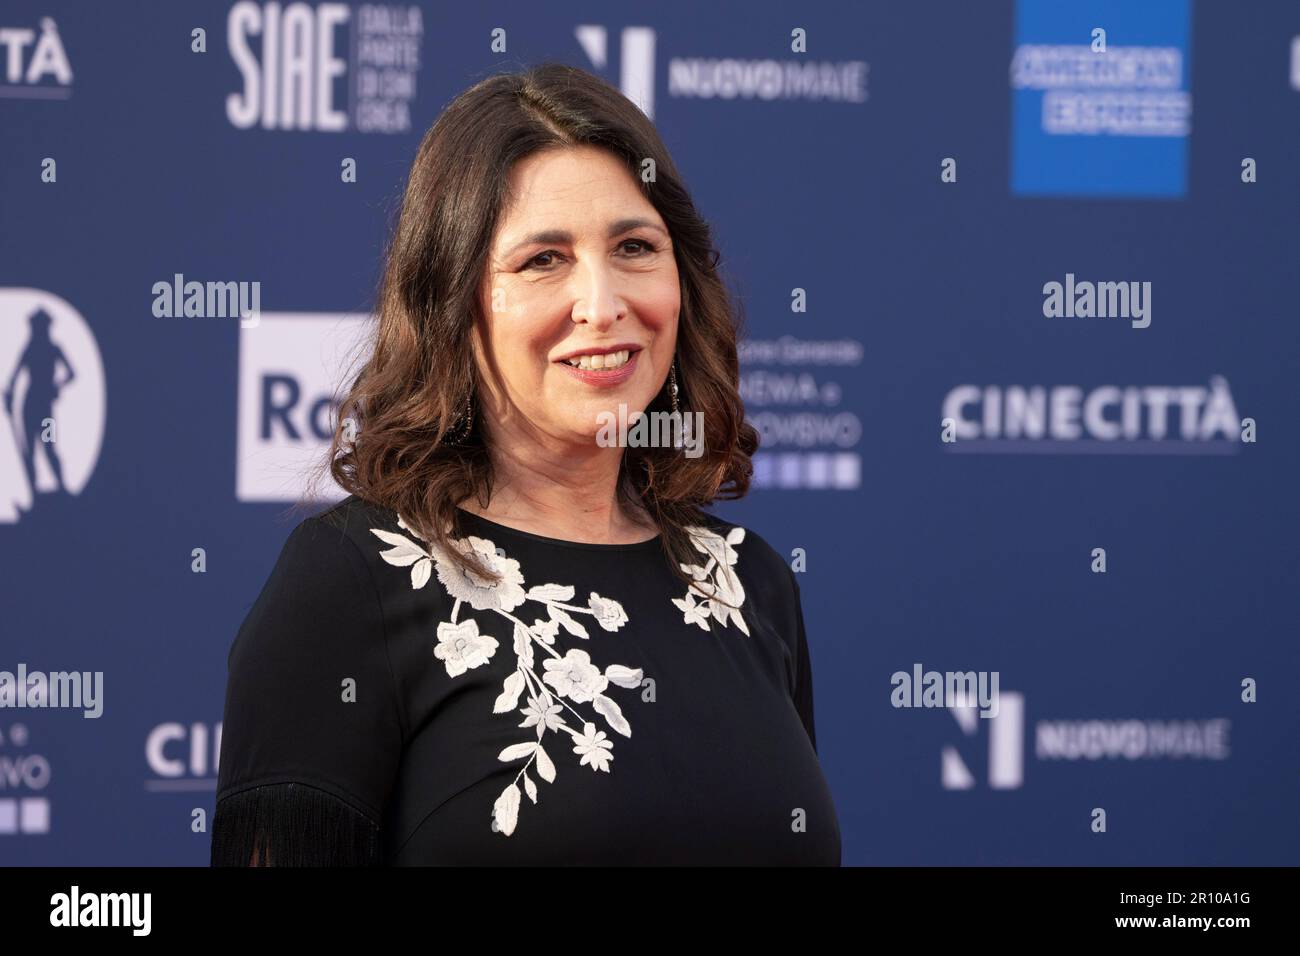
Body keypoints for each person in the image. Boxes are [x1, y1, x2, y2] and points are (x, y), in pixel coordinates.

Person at [210, 62, 840, 866]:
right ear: (453, 299)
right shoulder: (349, 583)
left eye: (635, 246)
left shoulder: (750, 583)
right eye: (544, 259)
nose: (603, 304)